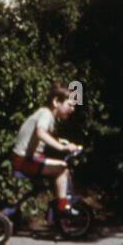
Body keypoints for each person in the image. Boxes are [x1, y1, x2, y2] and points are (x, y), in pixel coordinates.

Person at [11, 81, 82, 217]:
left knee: (63, 167)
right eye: (70, 105)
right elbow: (40, 133)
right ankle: (62, 207)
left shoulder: (46, 114)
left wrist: (61, 142)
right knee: (62, 169)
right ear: (56, 102)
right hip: (24, 160)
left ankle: (60, 204)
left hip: (28, 158)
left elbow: (43, 135)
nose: (73, 109)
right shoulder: (46, 115)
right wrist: (63, 147)